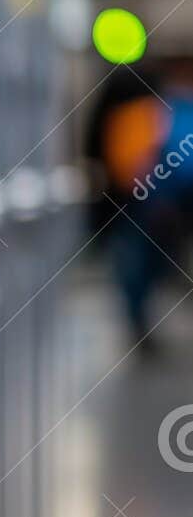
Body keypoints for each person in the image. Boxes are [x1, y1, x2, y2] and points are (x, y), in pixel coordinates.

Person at [84, 62, 173, 349]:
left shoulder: (113, 111)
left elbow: (95, 151)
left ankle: (137, 317)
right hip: (144, 203)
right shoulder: (150, 112)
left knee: (132, 264)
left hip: (124, 201)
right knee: (140, 263)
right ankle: (139, 317)